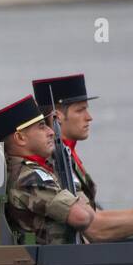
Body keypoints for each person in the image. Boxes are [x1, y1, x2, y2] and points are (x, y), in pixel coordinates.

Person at [0, 94, 133, 245]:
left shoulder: (32, 169)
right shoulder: (29, 177)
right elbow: (84, 218)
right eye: (41, 127)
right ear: (20, 138)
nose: (51, 132)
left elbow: (88, 214)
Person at [32, 73, 99, 207]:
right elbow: (90, 223)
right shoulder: (53, 160)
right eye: (80, 110)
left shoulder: (67, 152)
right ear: (57, 117)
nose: (89, 117)